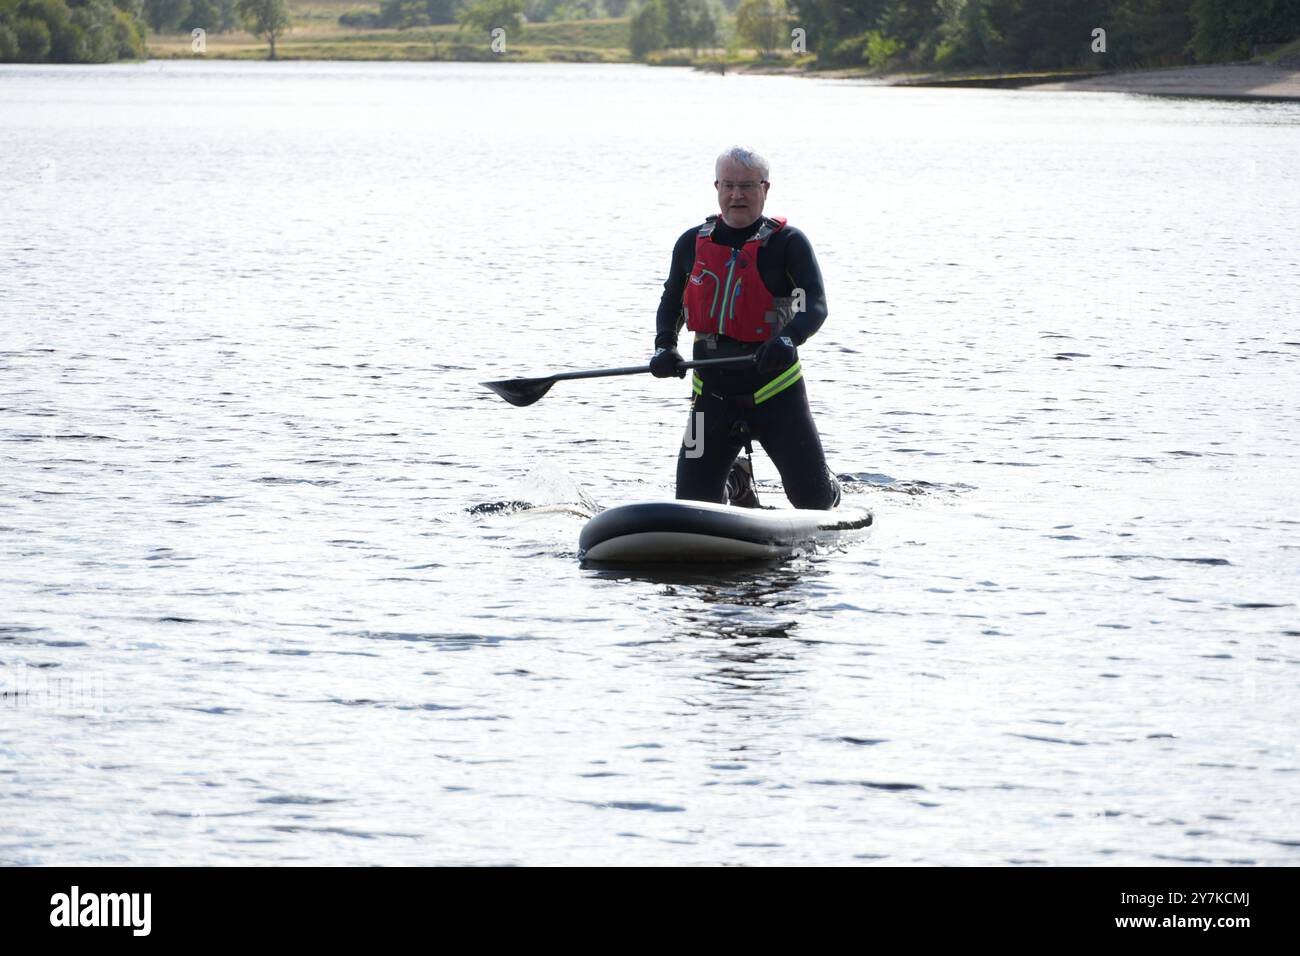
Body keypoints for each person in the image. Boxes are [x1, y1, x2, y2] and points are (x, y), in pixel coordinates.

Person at [650, 146, 841, 510]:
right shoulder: (691, 243)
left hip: (776, 391)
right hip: (711, 397)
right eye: (730, 186)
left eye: (748, 186)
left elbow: (814, 305)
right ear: (717, 187)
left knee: (813, 501)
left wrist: (789, 337)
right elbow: (672, 302)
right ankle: (736, 482)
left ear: (765, 189)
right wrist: (664, 346)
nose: (737, 195)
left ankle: (827, 485)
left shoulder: (788, 244)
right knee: (690, 503)